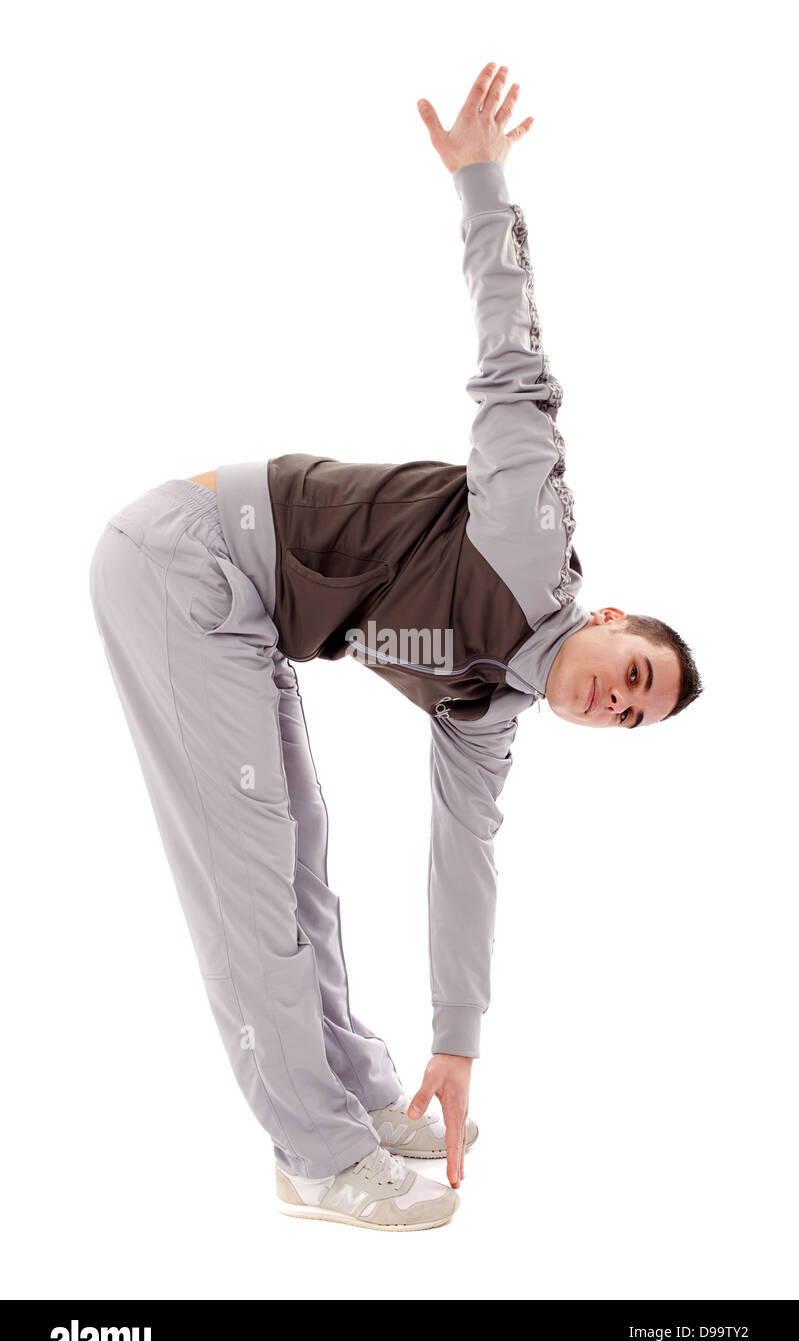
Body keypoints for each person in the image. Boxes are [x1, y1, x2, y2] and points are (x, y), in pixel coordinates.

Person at [88, 62, 702, 1233]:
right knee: (250, 886)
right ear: (611, 620)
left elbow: (461, 868)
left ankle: (362, 1097)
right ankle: (311, 1156)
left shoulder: (489, 711)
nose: (612, 701)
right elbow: (514, 370)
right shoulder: (533, 541)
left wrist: (455, 1048)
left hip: (248, 613)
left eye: (629, 716)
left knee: (302, 857)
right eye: (633, 674)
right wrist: (481, 184)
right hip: (186, 563)